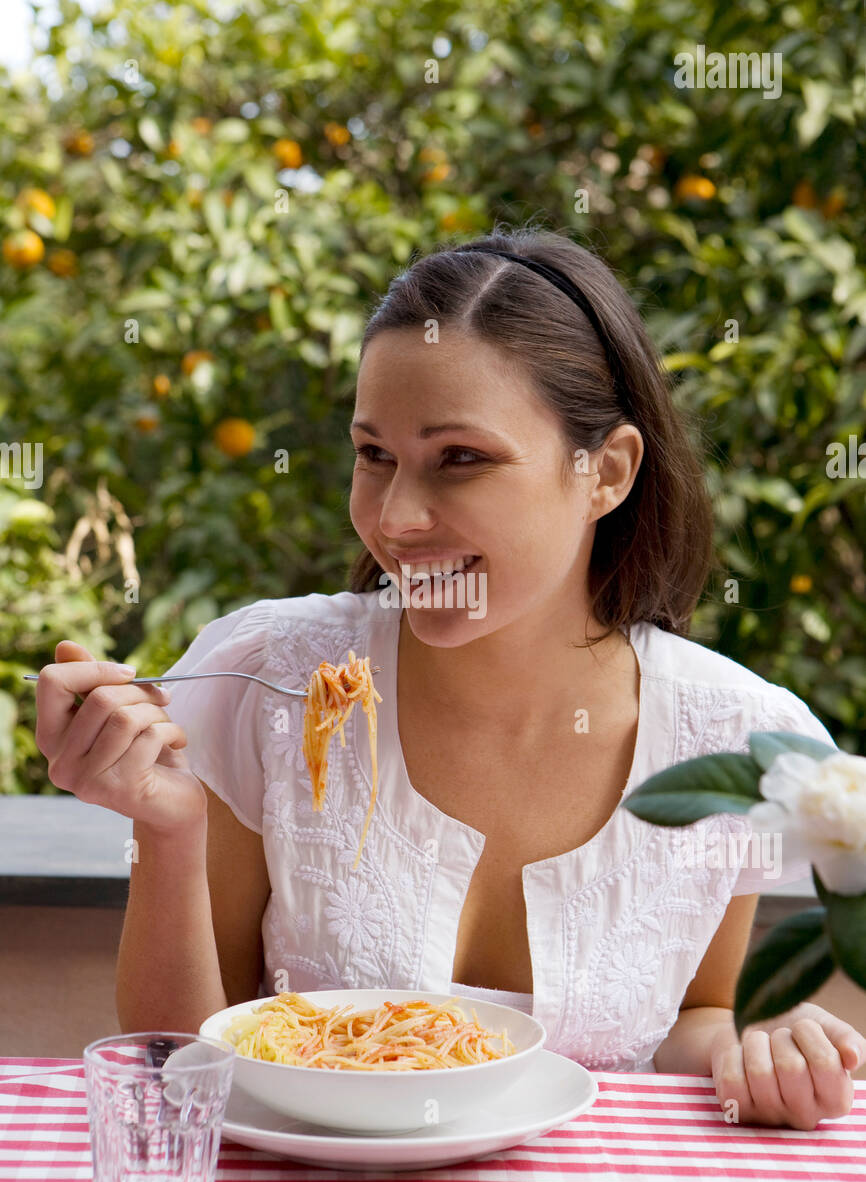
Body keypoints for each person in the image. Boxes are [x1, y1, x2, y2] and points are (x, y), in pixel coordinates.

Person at [35, 222, 864, 1129]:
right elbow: (184, 1060)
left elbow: (698, 1014)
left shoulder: (730, 739)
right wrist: (168, 830)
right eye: (374, 455)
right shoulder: (262, 679)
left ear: (607, 472)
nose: (396, 518)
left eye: (459, 459)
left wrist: (756, 1048)